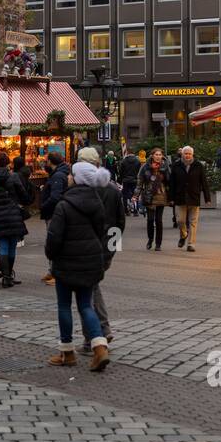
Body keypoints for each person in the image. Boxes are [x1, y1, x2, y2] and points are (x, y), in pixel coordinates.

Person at [45, 156, 111, 372]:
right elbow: (102, 231)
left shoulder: (64, 204)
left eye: (72, 174)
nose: (69, 177)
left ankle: (67, 352)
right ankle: (100, 347)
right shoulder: (97, 202)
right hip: (90, 261)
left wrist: (51, 255)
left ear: (78, 179)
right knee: (85, 305)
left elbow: (54, 236)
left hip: (65, 262)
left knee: (64, 306)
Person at [75, 147, 123, 354]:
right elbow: (119, 223)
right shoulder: (112, 189)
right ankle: (101, 330)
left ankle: (95, 337)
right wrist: (112, 249)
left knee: (87, 293)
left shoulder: (84, 188)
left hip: (88, 248)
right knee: (92, 287)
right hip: (106, 246)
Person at [0, 153, 30, 287]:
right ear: (7, 163)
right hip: (14, 214)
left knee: (4, 247)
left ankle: (5, 277)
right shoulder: (14, 177)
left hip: (0, 216)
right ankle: (9, 275)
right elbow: (24, 195)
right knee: (12, 246)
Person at [38, 148, 72, 285]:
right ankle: (52, 270)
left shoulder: (58, 175)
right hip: (54, 213)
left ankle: (57, 272)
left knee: (54, 242)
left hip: (53, 213)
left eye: (47, 161)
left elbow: (55, 197)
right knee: (54, 242)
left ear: (51, 162)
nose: (45, 163)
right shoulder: (58, 174)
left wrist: (43, 205)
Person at [171, 145, 211, 251]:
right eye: (185, 153)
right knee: (180, 220)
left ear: (192, 154)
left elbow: (204, 182)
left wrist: (207, 198)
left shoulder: (198, 165)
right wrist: (171, 198)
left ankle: (191, 244)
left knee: (193, 222)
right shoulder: (176, 165)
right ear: (182, 154)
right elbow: (172, 183)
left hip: (194, 197)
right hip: (180, 197)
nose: (187, 155)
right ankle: (183, 234)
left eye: (189, 153)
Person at [137, 148, 172, 251]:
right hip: (149, 195)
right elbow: (140, 181)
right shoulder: (145, 167)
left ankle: (158, 244)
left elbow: (170, 181)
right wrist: (136, 195)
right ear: (152, 156)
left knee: (159, 220)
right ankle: (150, 239)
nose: (158, 156)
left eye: (160, 154)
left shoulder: (165, 166)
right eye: (156, 154)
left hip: (161, 195)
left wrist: (165, 173)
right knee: (150, 220)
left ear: (162, 156)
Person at [118, 148, 141, 216]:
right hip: (134, 180)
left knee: (125, 196)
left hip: (126, 180)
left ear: (127, 153)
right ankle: (135, 210)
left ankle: (126, 211)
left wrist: (121, 179)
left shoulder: (124, 161)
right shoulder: (137, 161)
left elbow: (121, 171)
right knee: (135, 195)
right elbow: (139, 171)